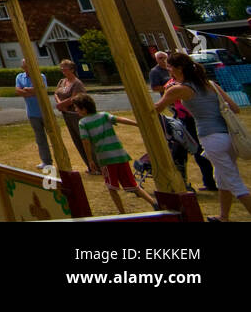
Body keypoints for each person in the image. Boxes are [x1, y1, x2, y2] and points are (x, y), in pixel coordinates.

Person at [156, 51, 251, 222]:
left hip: (211, 138)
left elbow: (156, 109)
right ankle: (223, 216)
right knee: (222, 178)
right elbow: (235, 108)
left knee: (234, 182)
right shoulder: (210, 84)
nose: (168, 71)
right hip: (228, 137)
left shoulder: (179, 89)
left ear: (178, 69)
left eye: (169, 67)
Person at [71, 94, 158, 214]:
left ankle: (122, 212)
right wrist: (137, 124)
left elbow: (85, 141)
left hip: (106, 159)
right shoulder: (104, 115)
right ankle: (154, 203)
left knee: (111, 187)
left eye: (76, 108)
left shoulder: (83, 123)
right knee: (133, 185)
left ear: (84, 109)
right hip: (120, 155)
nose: (75, 110)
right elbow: (119, 119)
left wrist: (90, 160)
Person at [53, 59, 98, 173]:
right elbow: (56, 93)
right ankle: (89, 166)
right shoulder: (62, 81)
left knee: (85, 140)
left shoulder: (77, 83)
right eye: (61, 68)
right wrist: (59, 104)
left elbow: (75, 98)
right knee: (76, 140)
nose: (63, 70)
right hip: (67, 115)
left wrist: (62, 105)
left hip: (77, 114)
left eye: (65, 68)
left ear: (72, 69)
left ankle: (97, 166)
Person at [15, 59, 53, 169]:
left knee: (53, 136)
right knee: (40, 138)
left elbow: (41, 90)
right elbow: (18, 91)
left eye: (29, 66)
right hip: (32, 113)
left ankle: (60, 158)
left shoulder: (40, 76)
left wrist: (27, 90)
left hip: (45, 112)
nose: (27, 68)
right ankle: (46, 161)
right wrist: (30, 91)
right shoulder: (19, 77)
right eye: (25, 66)